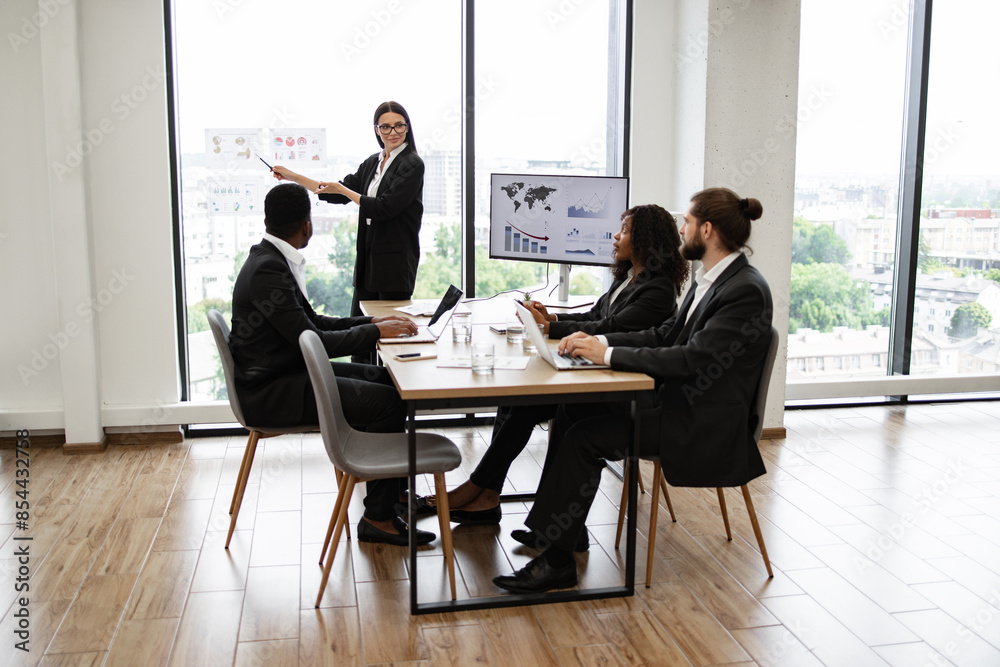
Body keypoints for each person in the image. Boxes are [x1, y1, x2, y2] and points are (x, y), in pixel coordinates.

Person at [492, 187, 774, 594]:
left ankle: (557, 563)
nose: (682, 230)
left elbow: (691, 359)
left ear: (707, 230)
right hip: (679, 405)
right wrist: (604, 345)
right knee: (574, 412)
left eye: (689, 222)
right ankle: (561, 534)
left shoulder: (743, 290)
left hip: (702, 425)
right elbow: (666, 334)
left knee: (584, 438)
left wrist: (607, 357)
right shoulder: (712, 280)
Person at [427, 205, 689, 527]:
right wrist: (552, 318)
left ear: (646, 239)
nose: (616, 236)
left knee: (526, 405)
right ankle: (488, 494)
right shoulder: (630, 279)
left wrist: (549, 329)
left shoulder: (658, 289)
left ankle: (482, 489)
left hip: (622, 387)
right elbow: (594, 317)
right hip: (600, 374)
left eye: (625, 230)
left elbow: (608, 327)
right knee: (514, 400)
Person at [229, 182, 433, 547]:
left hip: (284, 374)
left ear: (267, 219)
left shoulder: (269, 259)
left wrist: (369, 324)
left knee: (387, 381)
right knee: (388, 402)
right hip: (272, 391)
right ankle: (378, 517)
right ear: (306, 225)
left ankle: (392, 494)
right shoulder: (269, 271)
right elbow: (314, 342)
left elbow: (312, 324)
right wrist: (376, 334)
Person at [271, 101, 424, 333]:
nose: (393, 133)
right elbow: (334, 191)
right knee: (362, 331)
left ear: (407, 127)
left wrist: (345, 191)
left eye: (399, 126)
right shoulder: (373, 162)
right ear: (377, 130)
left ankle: (388, 371)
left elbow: (384, 208)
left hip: (394, 265)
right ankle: (360, 370)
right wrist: (292, 176)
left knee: (392, 335)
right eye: (386, 127)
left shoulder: (412, 164)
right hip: (367, 261)